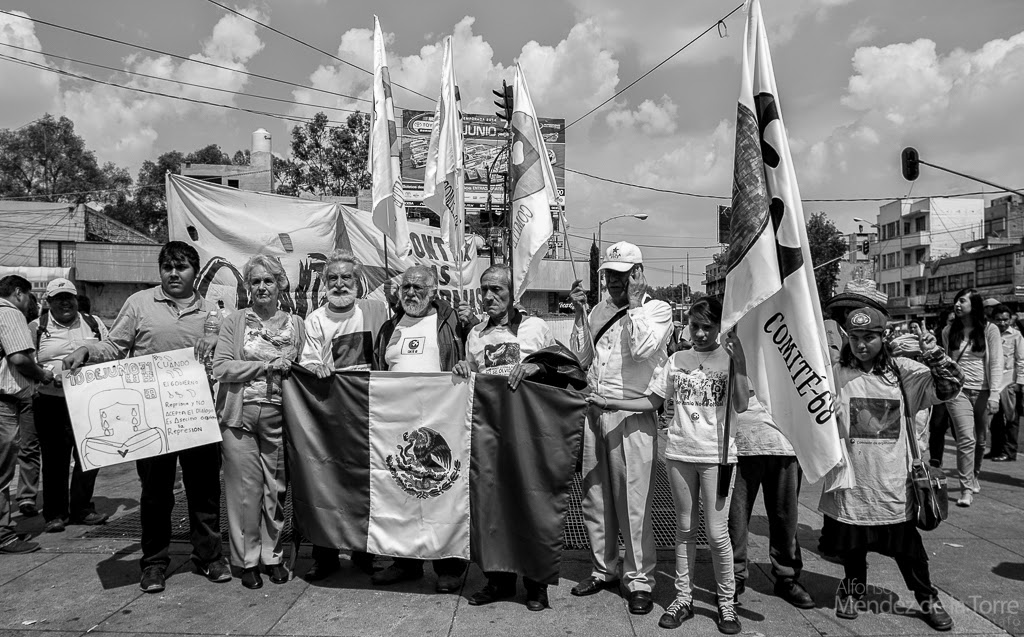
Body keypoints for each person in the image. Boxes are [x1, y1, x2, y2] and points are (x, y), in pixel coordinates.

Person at [63, 241, 227, 593]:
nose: (173, 273)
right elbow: (115, 347)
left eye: (181, 267)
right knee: (155, 495)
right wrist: (86, 350)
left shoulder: (212, 311)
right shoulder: (139, 303)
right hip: (150, 423)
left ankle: (210, 557)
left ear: (194, 272)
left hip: (196, 417)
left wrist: (216, 345)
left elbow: (227, 353)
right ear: (160, 271)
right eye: (167, 266)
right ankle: (154, 563)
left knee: (205, 493)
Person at [585, 297, 747, 634]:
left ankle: (727, 603)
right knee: (685, 530)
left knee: (717, 535)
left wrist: (741, 361)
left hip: (717, 458)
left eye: (708, 326)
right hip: (680, 455)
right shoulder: (676, 360)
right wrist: (610, 401)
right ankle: (683, 598)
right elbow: (652, 401)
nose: (700, 333)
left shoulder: (728, 359)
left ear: (719, 326)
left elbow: (742, 404)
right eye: (695, 325)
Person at [819, 307, 962, 631]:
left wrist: (933, 352)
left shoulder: (903, 372)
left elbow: (951, 387)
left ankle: (927, 600)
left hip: (893, 486)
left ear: (883, 337)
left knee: (909, 553)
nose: (861, 345)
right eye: (854, 338)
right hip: (853, 484)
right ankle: (853, 591)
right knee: (852, 549)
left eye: (869, 337)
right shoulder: (836, 372)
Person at [566, 241, 673, 616]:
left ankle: (639, 578)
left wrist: (634, 302)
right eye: (609, 275)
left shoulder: (657, 311)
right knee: (596, 497)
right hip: (596, 411)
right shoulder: (598, 310)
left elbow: (643, 348)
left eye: (622, 274)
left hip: (632, 415)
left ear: (638, 274)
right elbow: (581, 359)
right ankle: (603, 567)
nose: (614, 282)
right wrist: (581, 315)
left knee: (635, 502)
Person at [453, 264, 554, 611]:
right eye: (485, 289)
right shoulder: (476, 335)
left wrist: (536, 367)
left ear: (514, 294)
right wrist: (463, 368)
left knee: (530, 506)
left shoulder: (536, 328)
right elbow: (470, 379)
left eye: (498, 289)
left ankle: (536, 584)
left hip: (528, 435)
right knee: (492, 509)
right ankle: (498, 580)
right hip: (490, 436)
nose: (490, 296)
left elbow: (564, 367)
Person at [372, 264, 469, 593]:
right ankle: (406, 563)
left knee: (443, 493)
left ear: (433, 292)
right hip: (399, 428)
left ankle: (450, 565)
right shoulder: (389, 328)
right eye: (406, 287)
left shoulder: (451, 322)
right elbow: (378, 372)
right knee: (402, 494)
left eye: (418, 287)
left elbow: (473, 355)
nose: (411, 293)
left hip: (444, 425)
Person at [213, 255, 304, 589]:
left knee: (275, 492)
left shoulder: (297, 323)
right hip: (239, 419)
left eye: (268, 280)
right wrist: (263, 367)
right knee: (243, 493)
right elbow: (221, 367)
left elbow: (302, 367)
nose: (262, 287)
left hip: (281, 418)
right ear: (248, 287)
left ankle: (273, 556)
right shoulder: (234, 322)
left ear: (280, 284)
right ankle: (247, 560)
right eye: (255, 281)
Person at [298, 249, 389, 582]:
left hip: (370, 413)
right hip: (331, 414)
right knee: (327, 484)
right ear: (325, 284)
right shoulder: (316, 320)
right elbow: (307, 363)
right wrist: (316, 366)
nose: (339, 284)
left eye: (346, 277)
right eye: (333, 278)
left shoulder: (376, 312)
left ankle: (366, 553)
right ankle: (326, 555)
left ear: (357, 281)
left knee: (369, 483)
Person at [30, 278, 110, 534]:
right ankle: (55, 514)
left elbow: (110, 351)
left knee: (91, 455)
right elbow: (26, 361)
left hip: (88, 401)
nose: (65, 302)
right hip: (51, 402)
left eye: (69, 297)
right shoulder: (36, 327)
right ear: (49, 302)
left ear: (76, 299)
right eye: (58, 298)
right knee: (55, 459)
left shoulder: (94, 323)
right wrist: (43, 374)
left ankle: (82, 508)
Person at [728, 397, 814, 610]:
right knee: (735, 517)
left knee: (786, 516)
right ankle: (731, 576)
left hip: (786, 437)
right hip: (740, 435)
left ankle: (787, 577)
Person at [0, 276, 54, 555]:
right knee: (2, 469)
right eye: (29, 296)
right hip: (5, 402)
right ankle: (3, 534)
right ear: (19, 292)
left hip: (9, 401)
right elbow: (19, 359)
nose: (30, 302)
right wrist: (41, 374)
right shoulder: (9, 312)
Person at [941, 288, 1001, 507]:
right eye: (956, 300)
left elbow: (995, 362)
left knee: (980, 439)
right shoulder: (949, 330)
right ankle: (966, 489)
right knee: (966, 438)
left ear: (974, 305)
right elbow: (946, 360)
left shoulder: (990, 330)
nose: (957, 304)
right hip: (958, 391)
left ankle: (974, 474)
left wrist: (994, 394)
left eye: (962, 301)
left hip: (983, 391)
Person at [986, 305, 1022, 463]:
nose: (1002, 323)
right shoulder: (987, 335)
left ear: (1011, 319)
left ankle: (1010, 452)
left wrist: (1019, 383)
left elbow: (1021, 360)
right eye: (998, 320)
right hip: (993, 382)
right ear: (992, 320)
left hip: (1009, 383)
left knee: (1011, 419)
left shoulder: (1016, 336)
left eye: (1005, 319)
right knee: (995, 420)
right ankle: (996, 449)